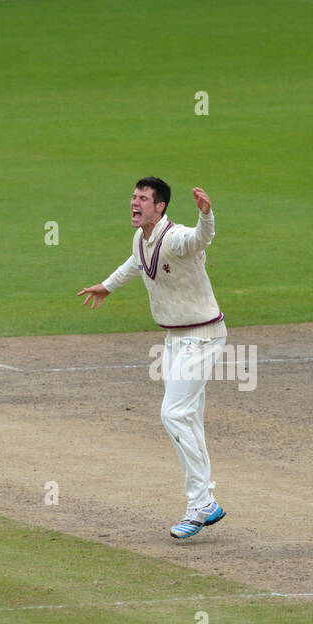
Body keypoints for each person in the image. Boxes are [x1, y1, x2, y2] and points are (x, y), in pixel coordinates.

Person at [78, 177, 227, 539]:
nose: (135, 202)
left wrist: (205, 215)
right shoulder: (142, 238)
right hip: (175, 338)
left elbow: (200, 239)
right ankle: (205, 500)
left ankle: (201, 503)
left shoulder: (175, 238)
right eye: (133, 196)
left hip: (202, 336)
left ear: (160, 206)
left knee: (173, 413)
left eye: (143, 198)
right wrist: (107, 286)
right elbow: (136, 262)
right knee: (188, 416)